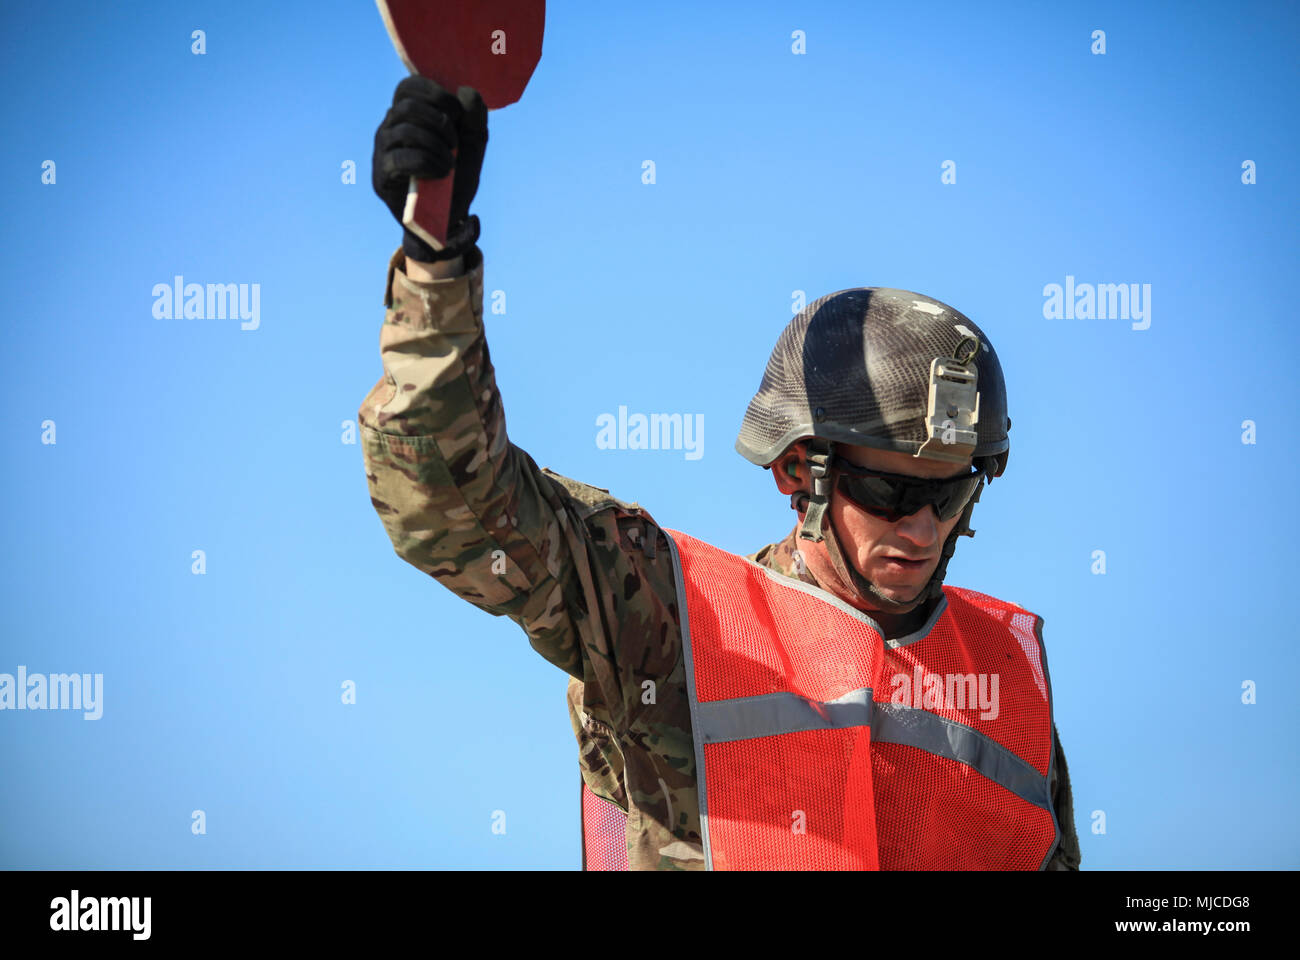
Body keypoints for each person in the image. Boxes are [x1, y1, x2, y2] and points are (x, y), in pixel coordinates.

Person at [363, 76, 1081, 871]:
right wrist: (436, 258)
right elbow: (454, 502)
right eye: (889, 491)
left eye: (951, 493)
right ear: (794, 471)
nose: (923, 527)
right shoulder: (669, 622)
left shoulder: (1010, 677)